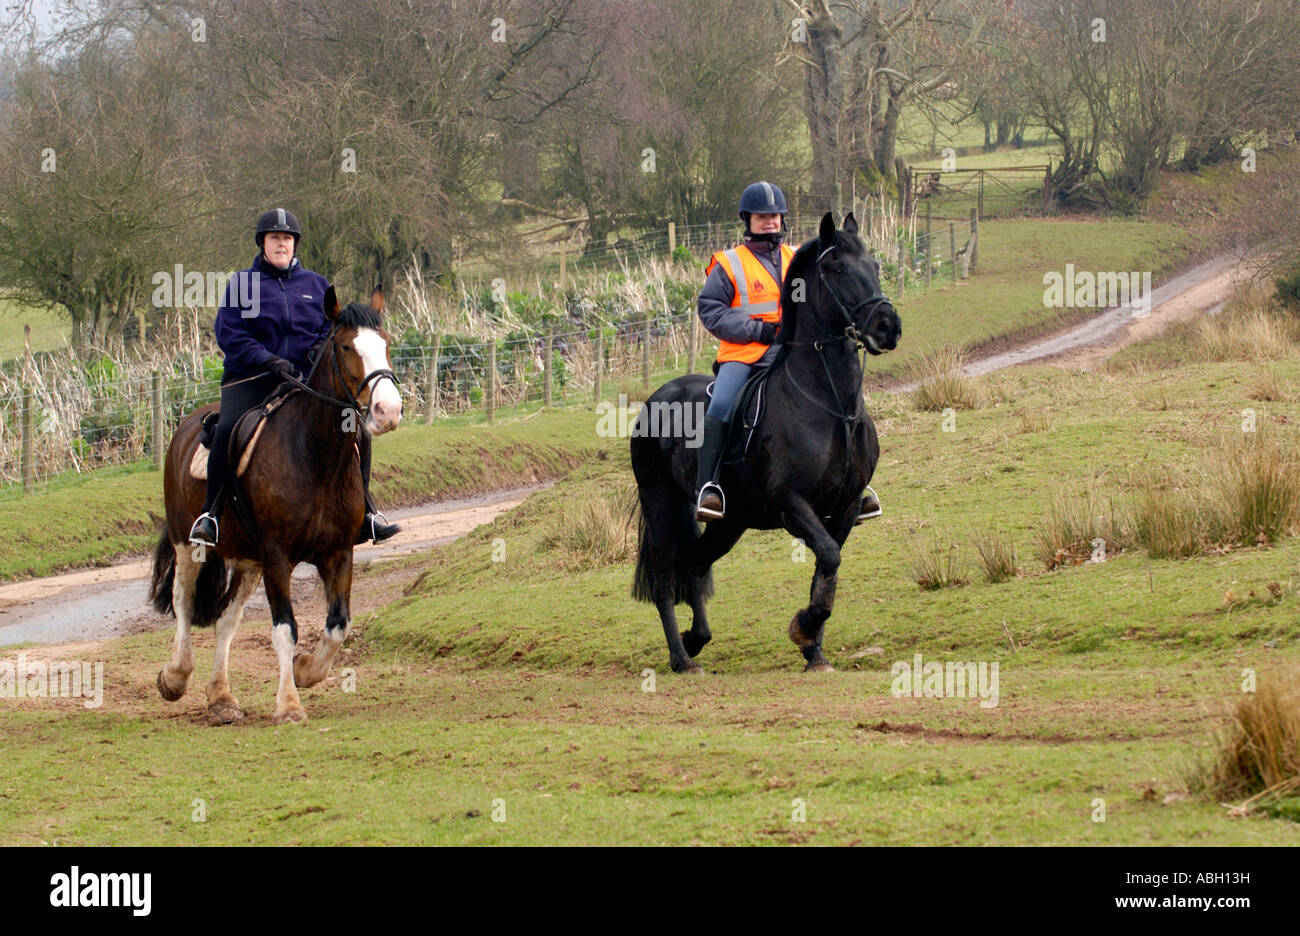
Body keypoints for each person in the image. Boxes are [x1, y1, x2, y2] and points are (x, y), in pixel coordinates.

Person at [187, 208, 400, 548]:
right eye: (275, 238)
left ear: (295, 244)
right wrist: (269, 360)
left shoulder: (316, 285)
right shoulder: (243, 285)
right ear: (263, 244)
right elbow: (231, 335)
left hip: (303, 380)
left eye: (287, 238)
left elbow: (326, 334)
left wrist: (311, 360)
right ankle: (210, 515)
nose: (281, 244)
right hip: (250, 379)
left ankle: (367, 514)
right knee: (227, 429)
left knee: (355, 427)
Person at [694, 181, 882, 524]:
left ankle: (854, 486)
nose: (770, 222)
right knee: (722, 402)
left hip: (796, 350)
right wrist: (758, 330)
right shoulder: (729, 263)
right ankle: (709, 487)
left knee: (840, 397)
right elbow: (710, 309)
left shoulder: (798, 259)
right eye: (762, 216)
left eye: (775, 215)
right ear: (747, 219)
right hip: (745, 354)